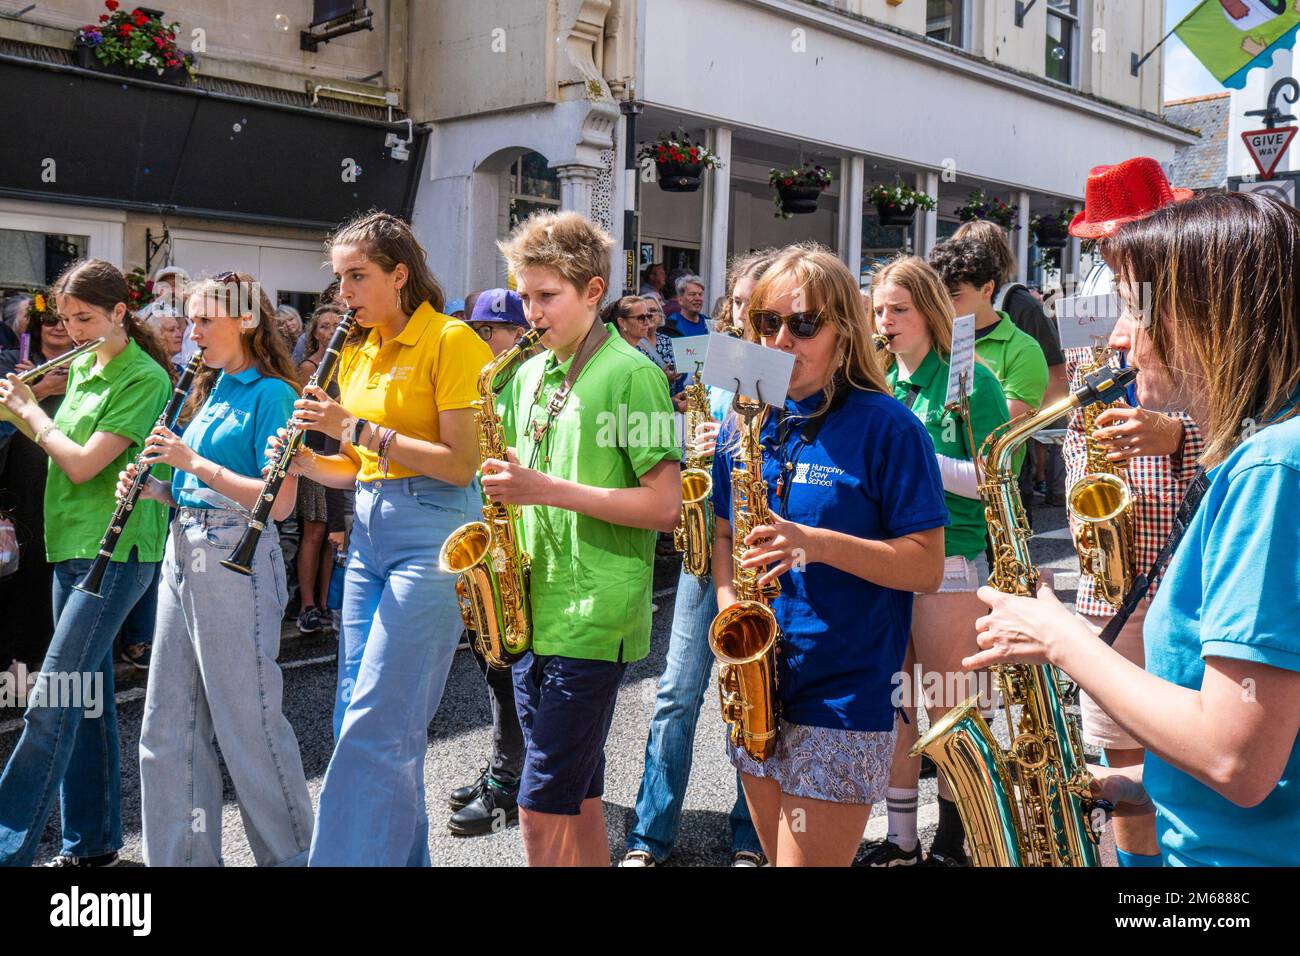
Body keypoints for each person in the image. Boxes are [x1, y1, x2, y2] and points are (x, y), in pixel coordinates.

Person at [970, 191, 1300, 867]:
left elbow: (1236, 757)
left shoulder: (1272, 468)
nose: (1117, 336)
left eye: (1135, 307)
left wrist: (1058, 636)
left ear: (1211, 315)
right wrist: (1129, 784)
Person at [711, 243, 948, 867]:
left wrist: (813, 544)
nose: (782, 340)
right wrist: (734, 617)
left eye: (804, 324)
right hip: (757, 682)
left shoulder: (889, 427)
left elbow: (925, 565)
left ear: (845, 328)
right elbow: (724, 538)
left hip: (843, 689)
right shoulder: (745, 422)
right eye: (768, 323)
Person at [272, 211, 492, 866]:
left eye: (358, 276)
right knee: (358, 720)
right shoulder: (359, 349)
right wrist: (306, 461)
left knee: (378, 722)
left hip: (433, 527)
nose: (346, 293)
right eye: (340, 278)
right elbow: (358, 467)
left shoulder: (454, 342)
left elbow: (459, 462)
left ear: (400, 274)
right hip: (367, 530)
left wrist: (357, 429)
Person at [484, 210, 682, 866]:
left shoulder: (631, 375)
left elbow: (664, 505)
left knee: (538, 808)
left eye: (547, 297)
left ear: (593, 292)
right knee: (581, 801)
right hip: (532, 609)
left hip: (593, 614)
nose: (531, 312)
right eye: (524, 296)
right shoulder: (527, 375)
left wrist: (542, 489)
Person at [125, 272, 312, 867]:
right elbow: (193, 485)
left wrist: (192, 463)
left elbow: (278, 502)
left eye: (205, 319)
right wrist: (160, 486)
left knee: (248, 725)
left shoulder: (273, 394)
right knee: (166, 727)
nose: (193, 331)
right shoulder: (213, 388)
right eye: (193, 318)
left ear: (246, 322)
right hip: (186, 545)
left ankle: (294, 858)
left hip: (237, 557)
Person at [0, 259, 173, 868]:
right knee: (89, 702)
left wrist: (32, 411)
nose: (73, 331)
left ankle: (6, 848)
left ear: (121, 313)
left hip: (118, 551)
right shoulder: (80, 367)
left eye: (86, 318)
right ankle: (94, 847)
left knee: (52, 700)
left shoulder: (145, 378)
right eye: (67, 318)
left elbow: (79, 463)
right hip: (71, 547)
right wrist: (15, 404)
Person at [1060, 157, 1202, 867]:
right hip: (1113, 586)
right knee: (1125, 783)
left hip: (1182, 580)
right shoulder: (1097, 340)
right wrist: (1090, 499)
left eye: (1126, 236)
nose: (1113, 251)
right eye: (1106, 241)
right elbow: (1075, 452)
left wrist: (1177, 437)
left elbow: (1251, 440)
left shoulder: (1201, 327)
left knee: (1186, 773)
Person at [622, 249, 776, 868]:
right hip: (704, 549)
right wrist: (697, 444)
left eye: (756, 304)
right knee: (677, 693)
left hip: (763, 550)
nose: (745, 313)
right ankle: (649, 835)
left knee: (756, 688)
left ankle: (750, 834)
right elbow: (686, 451)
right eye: (738, 302)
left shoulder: (788, 368)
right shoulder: (714, 365)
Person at [860, 255, 1010, 867]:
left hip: (953, 560)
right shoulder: (876, 380)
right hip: (890, 560)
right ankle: (900, 840)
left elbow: (1000, 479)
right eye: (878, 311)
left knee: (950, 707)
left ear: (928, 312)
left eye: (899, 309)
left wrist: (923, 456)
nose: (886, 321)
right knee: (897, 705)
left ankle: (956, 843)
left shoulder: (971, 379)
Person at [446, 287, 531, 838]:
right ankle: (508, 769)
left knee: (510, 673)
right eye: (475, 331)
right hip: (491, 536)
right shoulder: (488, 384)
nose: (481, 342)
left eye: (490, 332)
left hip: (520, 545)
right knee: (492, 667)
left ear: (517, 336)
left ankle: (511, 779)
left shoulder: (525, 382)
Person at [953, 219, 1068, 505]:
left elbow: (1056, 374)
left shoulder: (1023, 305)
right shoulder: (947, 318)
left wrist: (1027, 419)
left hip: (1007, 457)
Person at [0, 291, 76, 691]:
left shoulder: (88, 366)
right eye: (50, 321)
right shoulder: (15, 364)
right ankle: (16, 669)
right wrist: (39, 389)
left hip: (65, 481)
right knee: (22, 573)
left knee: (54, 573)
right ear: (34, 325)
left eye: (66, 320)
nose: (58, 328)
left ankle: (50, 665)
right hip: (21, 484)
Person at [928, 238, 1048, 478]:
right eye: (937, 295)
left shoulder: (1023, 349)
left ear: (987, 289)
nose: (943, 304)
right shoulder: (927, 339)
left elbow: (1000, 433)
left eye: (954, 295)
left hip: (987, 493)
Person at [292, 303, 346, 635]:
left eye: (336, 325)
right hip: (316, 453)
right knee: (313, 531)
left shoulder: (352, 364)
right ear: (314, 332)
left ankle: (327, 602)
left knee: (333, 535)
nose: (330, 331)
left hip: (342, 453)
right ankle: (307, 604)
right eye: (324, 326)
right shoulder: (309, 367)